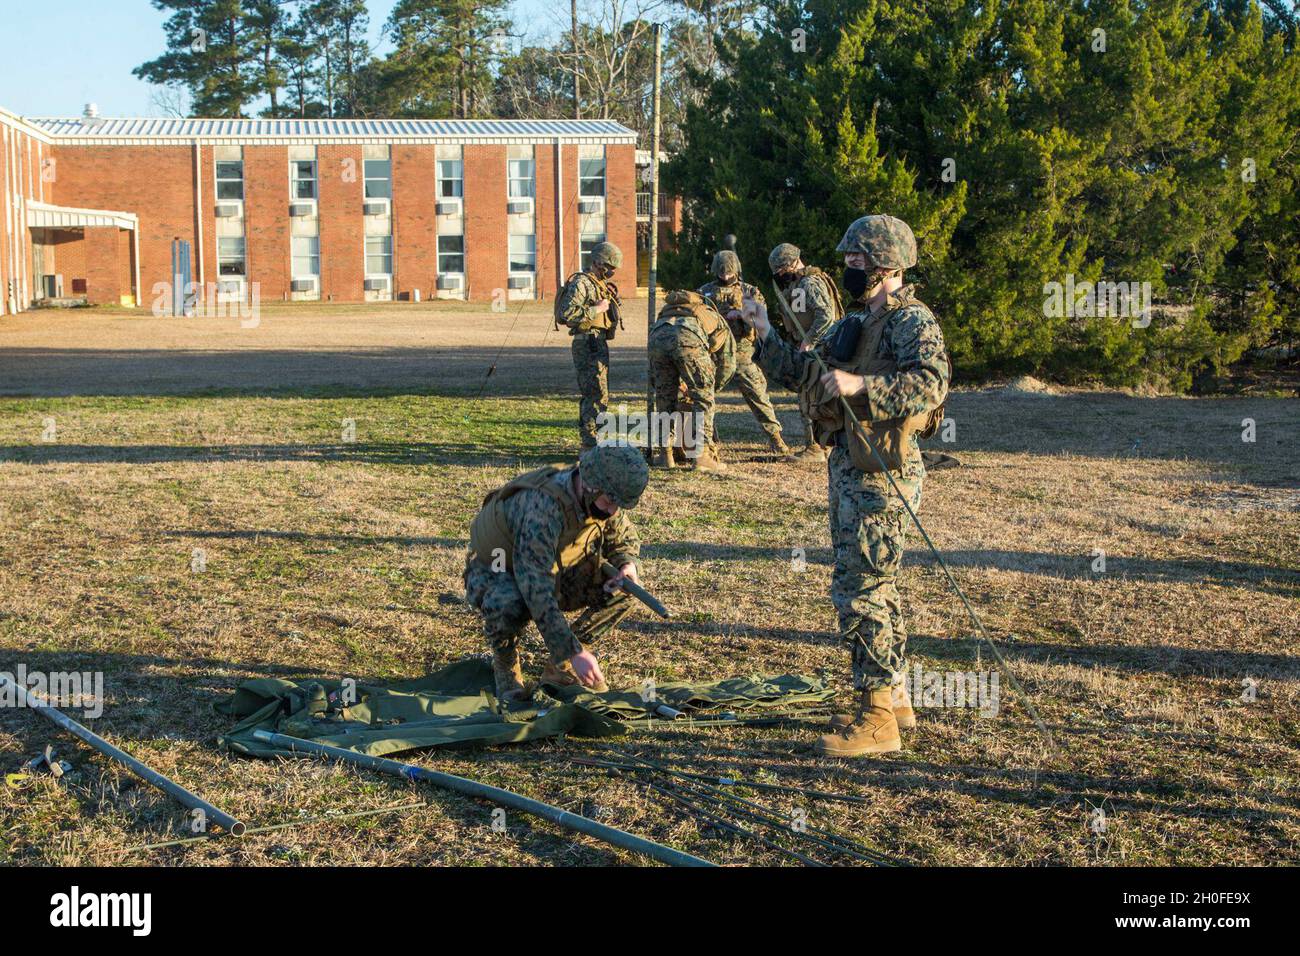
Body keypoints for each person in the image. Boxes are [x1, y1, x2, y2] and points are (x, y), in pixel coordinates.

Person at [747, 215, 951, 757]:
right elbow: (806, 370)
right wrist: (764, 330)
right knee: (870, 581)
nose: (849, 269)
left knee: (862, 587)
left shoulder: (913, 321)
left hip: (883, 474)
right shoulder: (857, 322)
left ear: (887, 264)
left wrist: (865, 384)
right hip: (851, 465)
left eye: (858, 261)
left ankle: (877, 716)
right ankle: (894, 698)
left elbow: (931, 383)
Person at [464, 444, 649, 700]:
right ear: (590, 485)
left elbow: (622, 538)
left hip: (553, 568)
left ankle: (559, 668)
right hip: (500, 569)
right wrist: (572, 651)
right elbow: (535, 587)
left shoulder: (604, 494)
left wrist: (627, 563)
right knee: (506, 602)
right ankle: (506, 665)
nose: (612, 511)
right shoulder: (543, 507)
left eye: (619, 505)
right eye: (609, 502)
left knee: (624, 588)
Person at [698, 250, 792, 458]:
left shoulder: (750, 291)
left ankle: (776, 438)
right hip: (715, 353)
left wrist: (740, 314)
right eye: (722, 273)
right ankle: (708, 440)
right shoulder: (704, 293)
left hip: (743, 353)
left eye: (729, 273)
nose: (726, 277)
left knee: (758, 396)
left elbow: (762, 318)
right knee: (704, 396)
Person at [767, 242, 844, 461]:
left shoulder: (810, 283)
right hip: (808, 346)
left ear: (793, 263)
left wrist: (809, 341)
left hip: (819, 348)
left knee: (810, 397)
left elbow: (825, 316)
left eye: (782, 269)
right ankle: (818, 444)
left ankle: (816, 448)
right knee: (810, 395)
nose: (780, 274)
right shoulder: (798, 284)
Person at [648, 290, 736, 472]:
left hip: (656, 340)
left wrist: (660, 384)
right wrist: (712, 389)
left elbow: (655, 377)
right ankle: (701, 456)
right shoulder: (711, 315)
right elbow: (728, 363)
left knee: (665, 398)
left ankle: (666, 455)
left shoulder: (666, 312)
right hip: (689, 341)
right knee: (703, 398)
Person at [556, 242, 624, 449]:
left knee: (599, 393)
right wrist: (597, 309)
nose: (612, 272)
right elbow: (567, 314)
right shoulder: (581, 283)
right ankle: (590, 441)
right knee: (594, 394)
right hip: (588, 342)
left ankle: (594, 438)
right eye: (609, 267)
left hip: (597, 342)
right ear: (597, 263)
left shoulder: (597, 283)